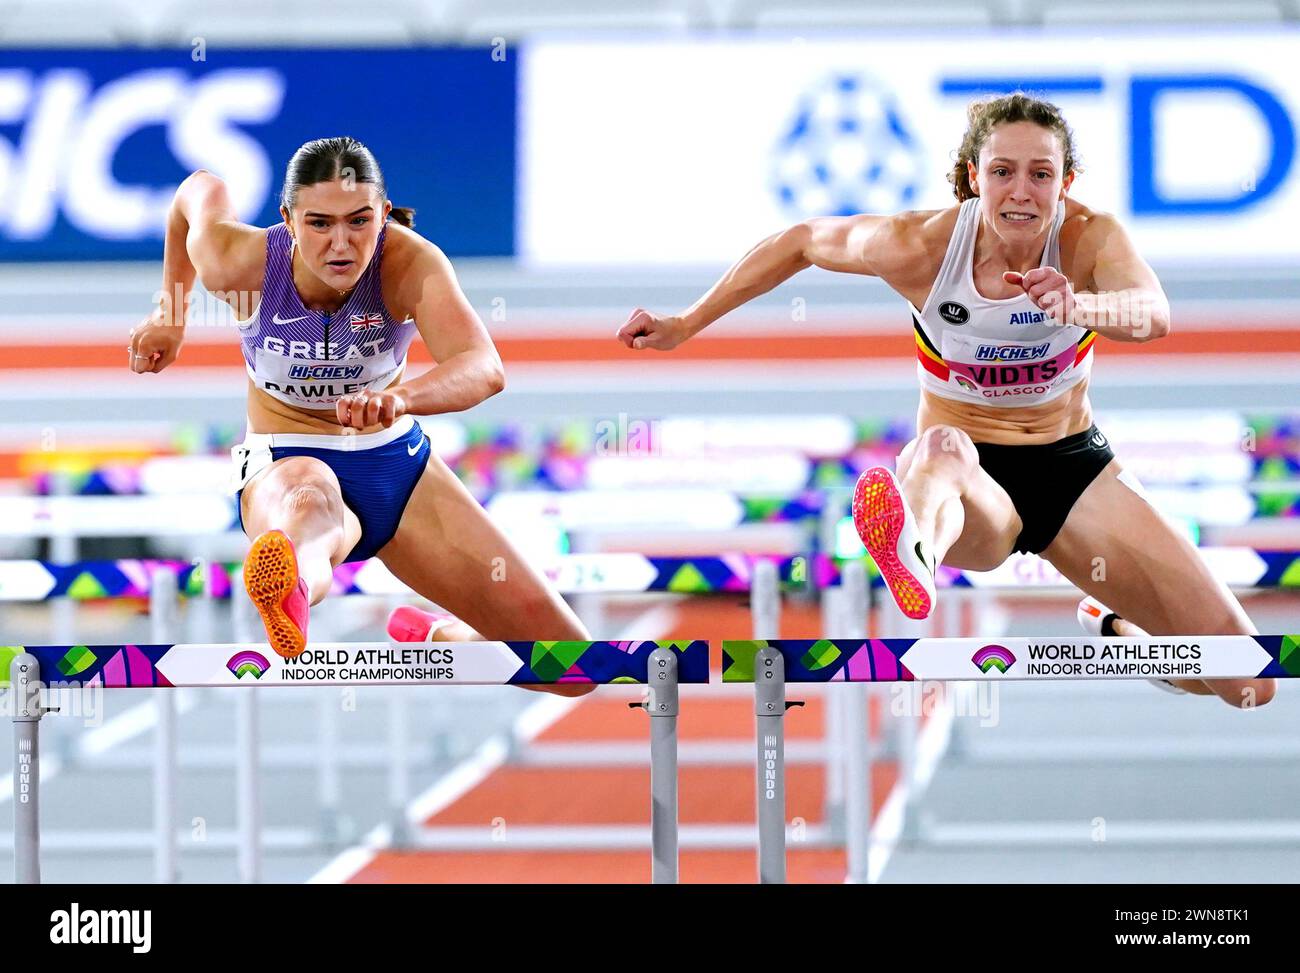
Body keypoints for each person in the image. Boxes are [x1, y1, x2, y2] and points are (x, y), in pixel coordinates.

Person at [617, 94, 1272, 708]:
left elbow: (1152, 312)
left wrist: (1082, 305)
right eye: (1004, 172)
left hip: (1075, 472)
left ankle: (1112, 627)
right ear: (973, 176)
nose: (1022, 191)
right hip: (969, 489)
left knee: (1247, 682)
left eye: (1041, 174)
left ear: (1065, 183)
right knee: (942, 448)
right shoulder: (922, 246)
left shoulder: (1089, 239)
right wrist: (687, 323)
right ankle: (915, 551)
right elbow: (800, 242)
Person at [130, 136, 592, 696]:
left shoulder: (409, 262)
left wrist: (404, 398)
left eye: (360, 221)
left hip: (397, 465)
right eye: (319, 223)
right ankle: (291, 585)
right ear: (288, 220)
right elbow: (194, 192)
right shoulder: (240, 263)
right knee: (314, 509)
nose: (341, 244)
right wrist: (170, 315)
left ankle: (445, 637)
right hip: (287, 454)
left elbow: (483, 366)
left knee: (570, 669)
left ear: (384, 213)